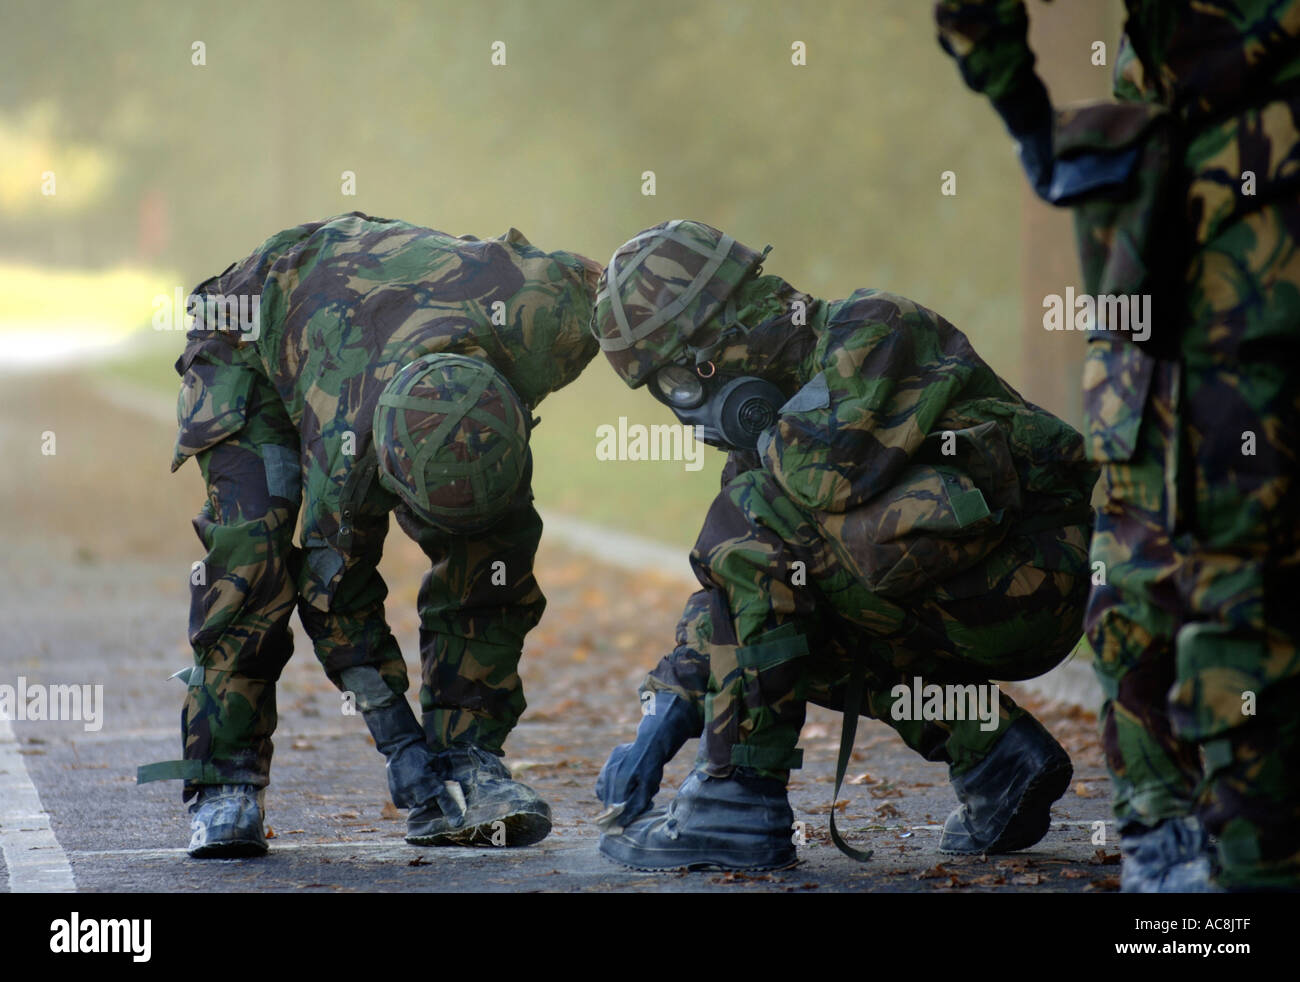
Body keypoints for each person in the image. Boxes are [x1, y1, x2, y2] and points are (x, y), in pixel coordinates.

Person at [590, 219, 1097, 871]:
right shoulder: (768, 452)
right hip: (954, 599)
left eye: (681, 386)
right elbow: (736, 596)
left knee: (755, 530)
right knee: (778, 607)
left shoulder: (873, 328)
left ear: (721, 334)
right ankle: (993, 755)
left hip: (1035, 581)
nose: (687, 414)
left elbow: (818, 478)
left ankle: (734, 802)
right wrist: (663, 711)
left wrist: (753, 450)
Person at [935, 0, 1300, 892]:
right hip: (1214, 227)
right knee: (1226, 557)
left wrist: (1027, 118)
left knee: (1181, 548)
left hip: (1181, 226)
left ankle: (1176, 844)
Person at [137, 212, 602, 857]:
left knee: (493, 557)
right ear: (390, 476)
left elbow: (638, 293)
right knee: (253, 560)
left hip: (384, 321)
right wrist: (399, 743)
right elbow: (334, 600)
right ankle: (226, 782)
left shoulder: (546, 314)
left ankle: (468, 763)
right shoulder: (345, 456)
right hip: (249, 332)